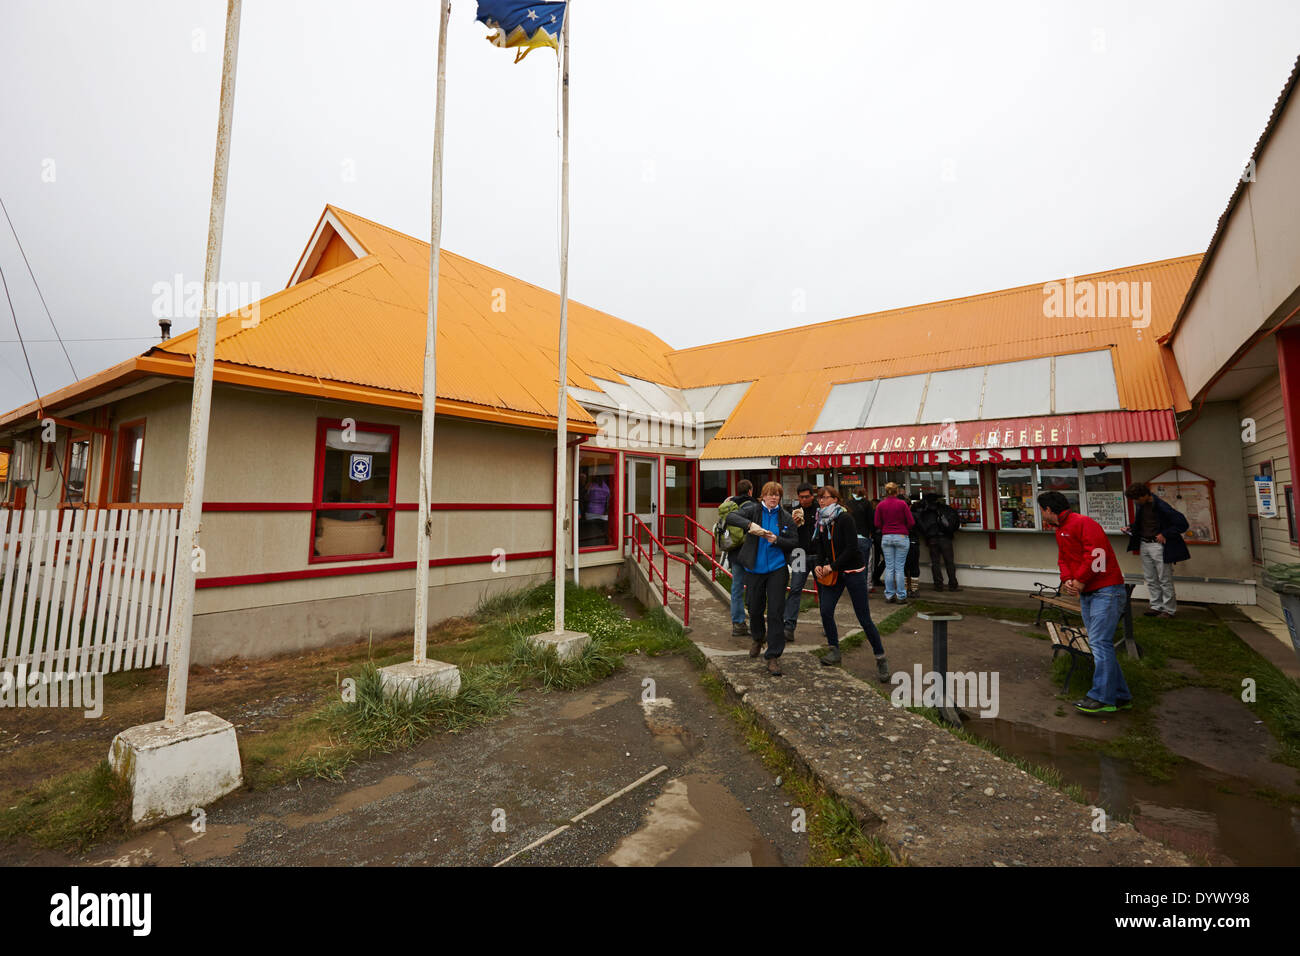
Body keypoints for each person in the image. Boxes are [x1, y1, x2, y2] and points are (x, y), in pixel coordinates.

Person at [1038, 490, 1133, 715]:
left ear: (1049, 510)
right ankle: (1120, 696)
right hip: (1089, 591)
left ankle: (1101, 697)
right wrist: (1068, 580)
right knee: (1100, 643)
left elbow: (1097, 555)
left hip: (1106, 590)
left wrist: (1079, 580)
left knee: (1100, 643)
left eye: (1042, 509)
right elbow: (1064, 559)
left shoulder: (1083, 523)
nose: (1041, 514)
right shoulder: (1060, 530)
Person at [811, 486, 891, 679]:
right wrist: (819, 564)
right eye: (819, 498)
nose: (821, 501)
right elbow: (821, 547)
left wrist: (833, 565)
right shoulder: (822, 520)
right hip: (834, 573)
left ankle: (880, 658)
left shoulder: (845, 518)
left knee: (864, 618)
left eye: (825, 498)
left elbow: (851, 548)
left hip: (853, 571)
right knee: (826, 610)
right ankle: (834, 650)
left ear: (836, 499)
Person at [724, 481, 799, 676]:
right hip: (755, 569)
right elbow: (730, 517)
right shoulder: (753, 510)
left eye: (777, 495)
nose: (773, 498)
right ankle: (758, 638)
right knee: (754, 608)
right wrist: (750, 526)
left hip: (777, 569)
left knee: (775, 612)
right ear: (762, 496)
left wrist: (778, 540)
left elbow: (794, 541)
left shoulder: (785, 517)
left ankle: (773, 656)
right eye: (770, 494)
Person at [1122, 483, 1189, 619]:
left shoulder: (1161, 506)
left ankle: (1169, 610)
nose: (1135, 502)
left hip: (1158, 545)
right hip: (1144, 543)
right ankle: (1156, 606)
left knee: (1164, 578)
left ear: (1145, 495)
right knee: (1150, 577)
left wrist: (1165, 533)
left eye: (1137, 498)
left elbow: (1182, 524)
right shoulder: (1141, 505)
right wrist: (1131, 527)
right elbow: (1144, 523)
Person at [781, 483, 818, 643]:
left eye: (807, 497)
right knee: (795, 589)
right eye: (801, 497)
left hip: (818, 555)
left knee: (824, 591)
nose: (804, 500)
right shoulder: (792, 512)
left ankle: (827, 625)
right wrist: (793, 525)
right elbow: (784, 532)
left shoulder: (820, 511)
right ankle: (789, 627)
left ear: (812, 496)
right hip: (799, 554)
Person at [721, 480, 756, 636]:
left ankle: (738, 623)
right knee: (754, 588)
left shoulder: (729, 506)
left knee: (736, 589)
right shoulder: (753, 506)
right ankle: (755, 622)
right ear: (750, 491)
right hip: (750, 554)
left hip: (734, 553)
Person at [874, 482, 915, 604]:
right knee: (899, 568)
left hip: (886, 536)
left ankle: (889, 594)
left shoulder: (881, 505)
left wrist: (886, 527)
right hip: (901, 536)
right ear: (897, 492)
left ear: (886, 492)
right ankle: (901, 595)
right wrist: (903, 527)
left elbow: (877, 523)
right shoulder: (902, 504)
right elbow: (911, 522)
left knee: (890, 567)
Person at [916, 491, 962, 591]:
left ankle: (938, 585)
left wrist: (926, 535)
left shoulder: (923, 511)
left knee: (935, 562)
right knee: (949, 562)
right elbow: (955, 522)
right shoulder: (945, 509)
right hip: (945, 538)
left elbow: (919, 525)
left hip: (932, 539)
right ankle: (953, 585)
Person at [905, 494, 923, 596]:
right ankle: (914, 589)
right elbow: (922, 528)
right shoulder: (915, 515)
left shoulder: (899, 515)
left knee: (902, 567)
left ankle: (904, 588)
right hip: (913, 542)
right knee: (914, 566)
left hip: (902, 542)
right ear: (910, 505)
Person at [868, 497, 885, 589]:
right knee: (885, 559)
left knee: (875, 559)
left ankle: (874, 578)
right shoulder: (877, 513)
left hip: (874, 538)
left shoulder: (869, 514)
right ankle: (876, 577)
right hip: (880, 537)